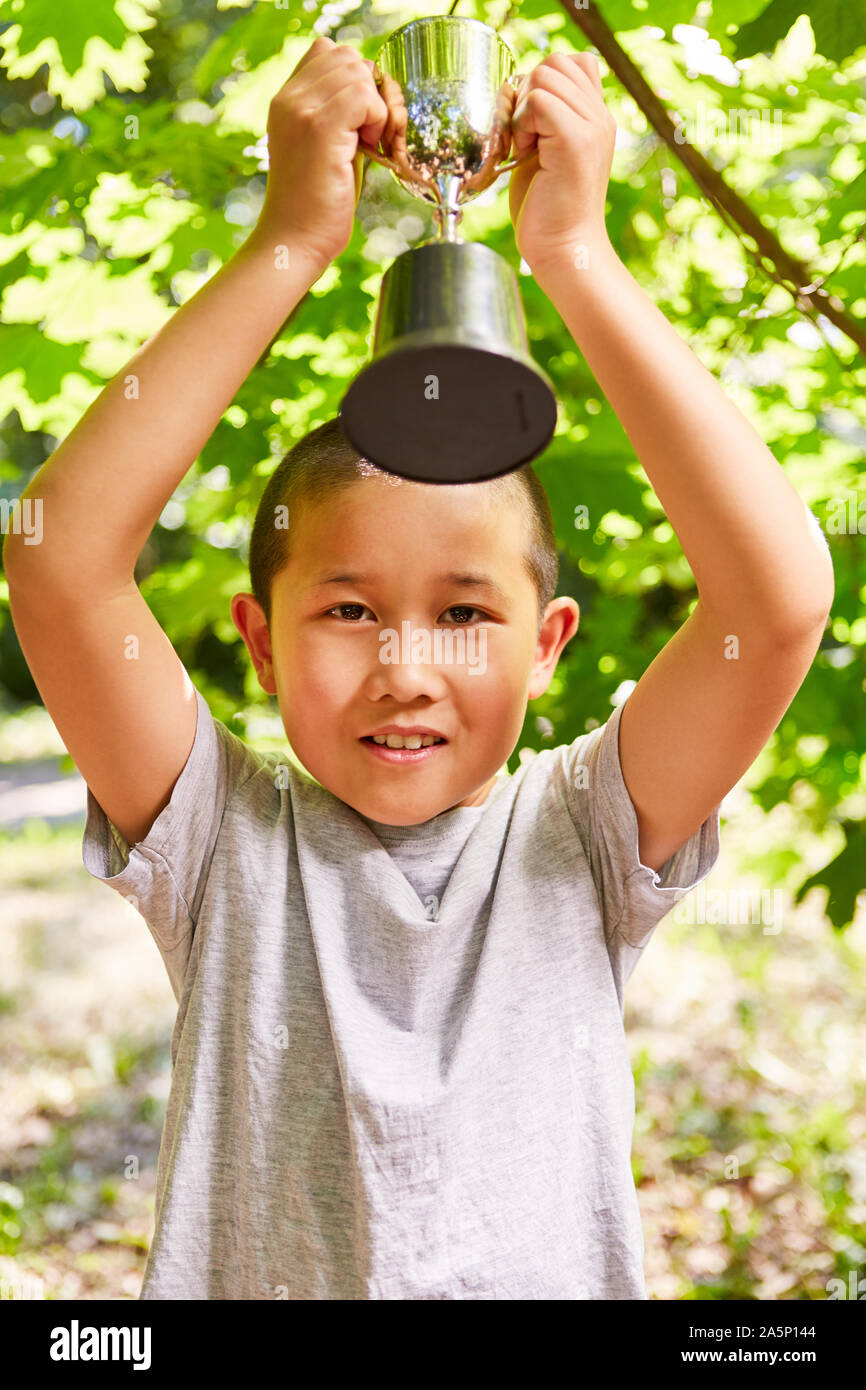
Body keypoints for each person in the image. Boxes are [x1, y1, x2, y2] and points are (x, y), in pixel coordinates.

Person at [3, 36, 834, 1300]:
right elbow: (57, 561)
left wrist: (574, 259)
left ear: (545, 644)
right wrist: (288, 240)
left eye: (463, 612)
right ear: (262, 640)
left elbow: (774, 601)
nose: (405, 666)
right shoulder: (223, 834)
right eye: (346, 609)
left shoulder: (582, 831)